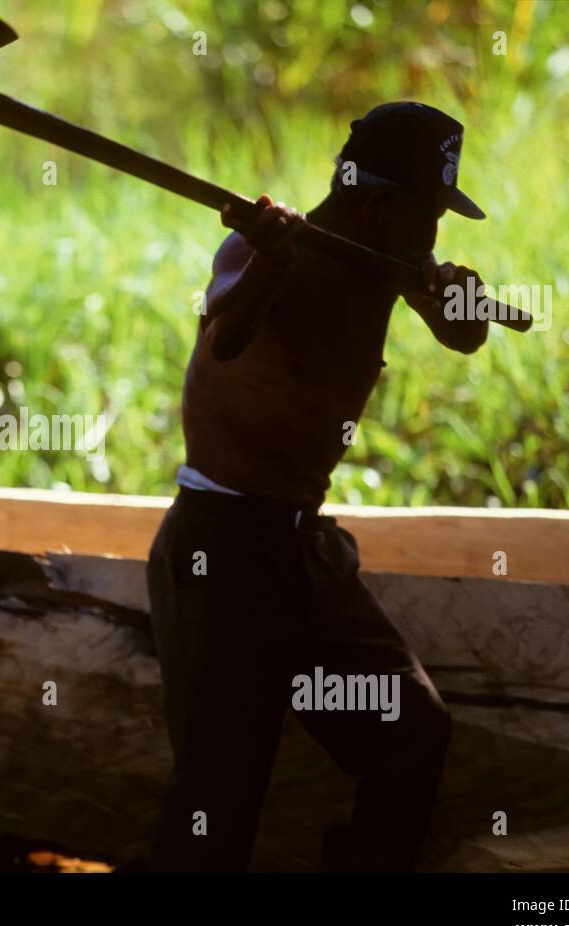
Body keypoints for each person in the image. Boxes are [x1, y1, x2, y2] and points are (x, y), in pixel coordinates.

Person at [146, 102, 491, 872]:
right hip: (220, 554)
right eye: (431, 220)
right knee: (214, 802)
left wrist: (463, 305)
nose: (433, 242)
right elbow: (227, 338)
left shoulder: (383, 264)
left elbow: (463, 333)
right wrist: (271, 258)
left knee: (408, 730)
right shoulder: (257, 252)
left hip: (300, 556)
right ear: (378, 206)